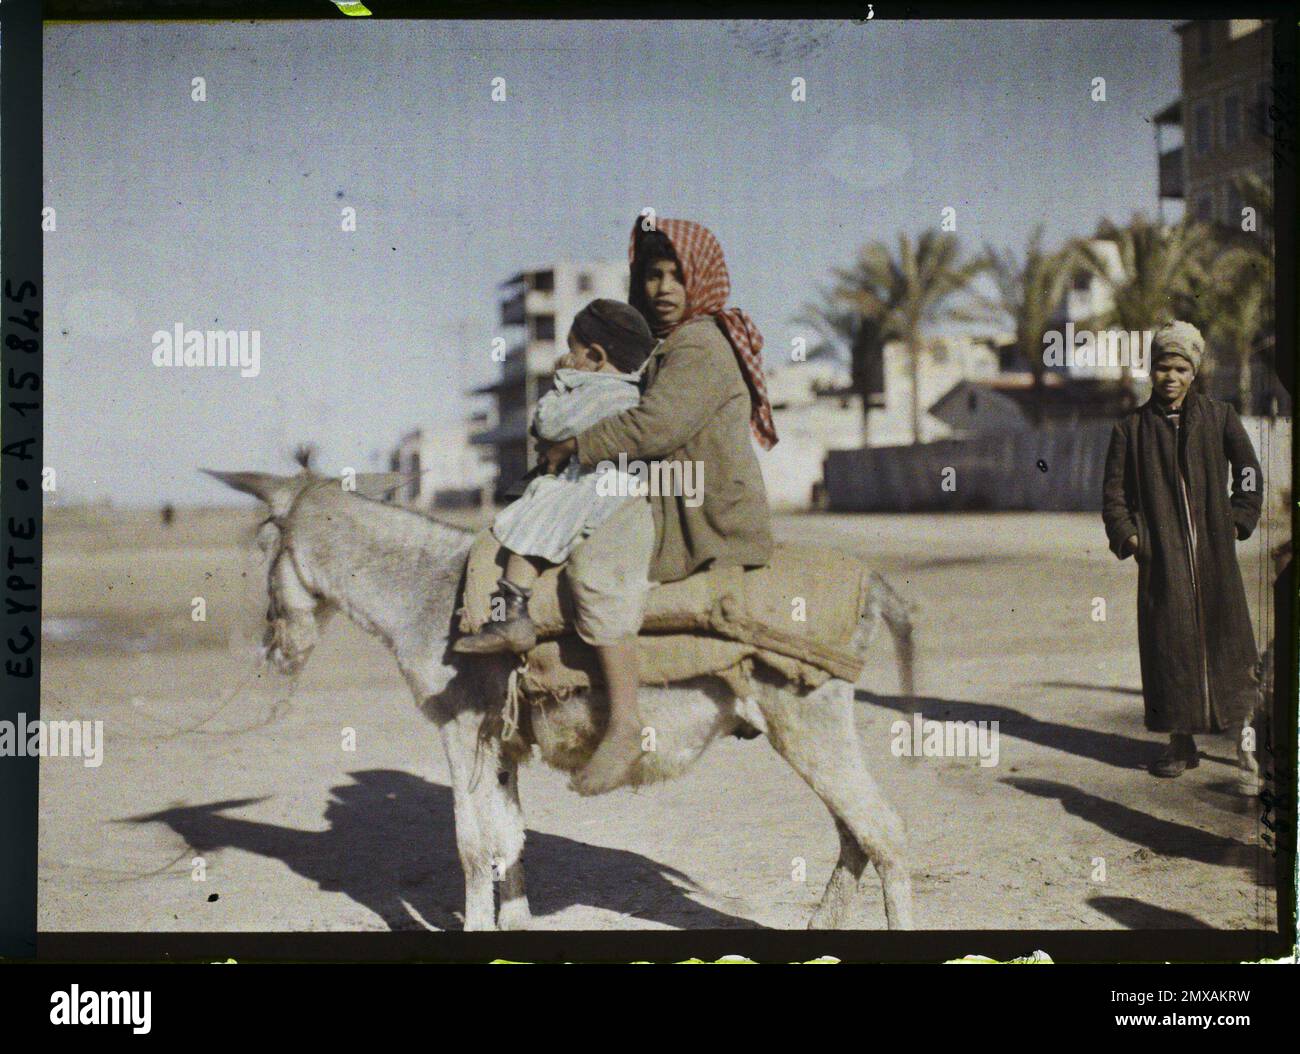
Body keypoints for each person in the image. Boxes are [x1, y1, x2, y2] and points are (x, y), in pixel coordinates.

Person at [538, 217, 776, 795]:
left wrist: (575, 444)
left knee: (594, 568)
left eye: (676, 275)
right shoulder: (671, 345)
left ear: (702, 278)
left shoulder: (698, 343)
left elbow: (654, 427)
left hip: (704, 516)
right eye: (652, 276)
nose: (663, 289)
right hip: (676, 498)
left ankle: (623, 722)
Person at [1102, 320, 1264, 789]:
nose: (1169, 377)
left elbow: (1249, 471)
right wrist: (1134, 539)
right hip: (1163, 564)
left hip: (1216, 561)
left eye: (1179, 368)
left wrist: (1239, 518)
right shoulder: (1130, 429)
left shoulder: (1220, 416)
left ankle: (1245, 744)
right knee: (1168, 648)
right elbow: (1113, 495)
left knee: (1231, 648)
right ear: (1151, 372)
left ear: (1193, 372)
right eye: (1161, 367)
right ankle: (1180, 741)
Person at [454, 299, 657, 655]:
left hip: (590, 488)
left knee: (529, 528)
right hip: (621, 487)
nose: (567, 360)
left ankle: (510, 616)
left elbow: (546, 423)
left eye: (572, 353)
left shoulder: (596, 391)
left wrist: (560, 382)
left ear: (594, 357)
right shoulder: (632, 393)